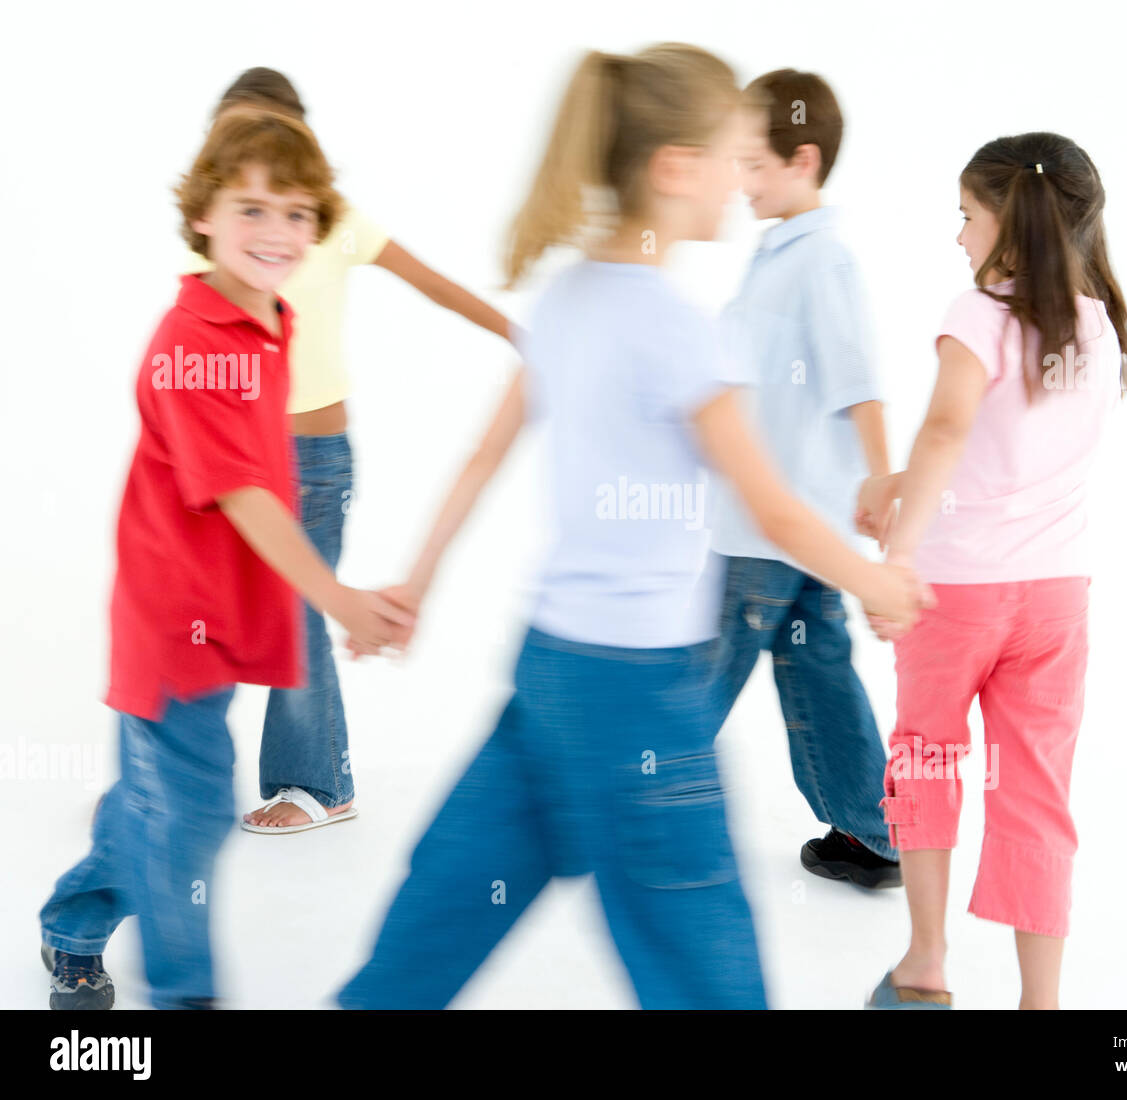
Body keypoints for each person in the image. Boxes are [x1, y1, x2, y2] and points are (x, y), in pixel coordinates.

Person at [336, 43, 927, 1010]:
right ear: (673, 169)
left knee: (434, 923)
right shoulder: (676, 324)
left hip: (546, 675)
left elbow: (484, 457)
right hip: (640, 700)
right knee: (706, 965)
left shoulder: (568, 296)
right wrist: (876, 584)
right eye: (730, 156)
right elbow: (773, 504)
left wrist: (414, 583)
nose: (740, 183)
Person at [40, 107, 413, 1010]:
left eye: (294, 212)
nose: (276, 232)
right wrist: (339, 597)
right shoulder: (195, 345)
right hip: (174, 623)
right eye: (250, 209)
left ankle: (72, 926)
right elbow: (245, 495)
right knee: (197, 812)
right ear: (203, 214)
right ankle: (183, 993)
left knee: (156, 801)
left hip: (224, 614)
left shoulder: (270, 320)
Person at [186, 68, 515, 834]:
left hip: (311, 461)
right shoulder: (228, 235)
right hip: (232, 461)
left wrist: (519, 332)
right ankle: (172, 778)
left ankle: (318, 784)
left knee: (295, 610)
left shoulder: (329, 221)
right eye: (228, 138)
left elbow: (432, 284)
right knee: (204, 614)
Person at [861, 132, 1127, 1010]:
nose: (958, 237)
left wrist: (898, 551)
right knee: (1036, 791)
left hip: (955, 593)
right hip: (1056, 601)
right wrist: (903, 481)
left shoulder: (977, 313)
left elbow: (950, 429)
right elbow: (1014, 448)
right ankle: (1041, 1003)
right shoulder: (1097, 326)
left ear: (1010, 221)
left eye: (967, 216)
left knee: (927, 760)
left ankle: (927, 964)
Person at [708, 69, 900, 888]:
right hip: (788, 522)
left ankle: (629, 806)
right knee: (817, 668)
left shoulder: (820, 262)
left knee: (697, 668)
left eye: (755, 163)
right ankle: (876, 834)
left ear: (804, 160)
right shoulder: (776, 255)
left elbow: (859, 380)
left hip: (772, 524)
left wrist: (884, 480)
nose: (740, 181)